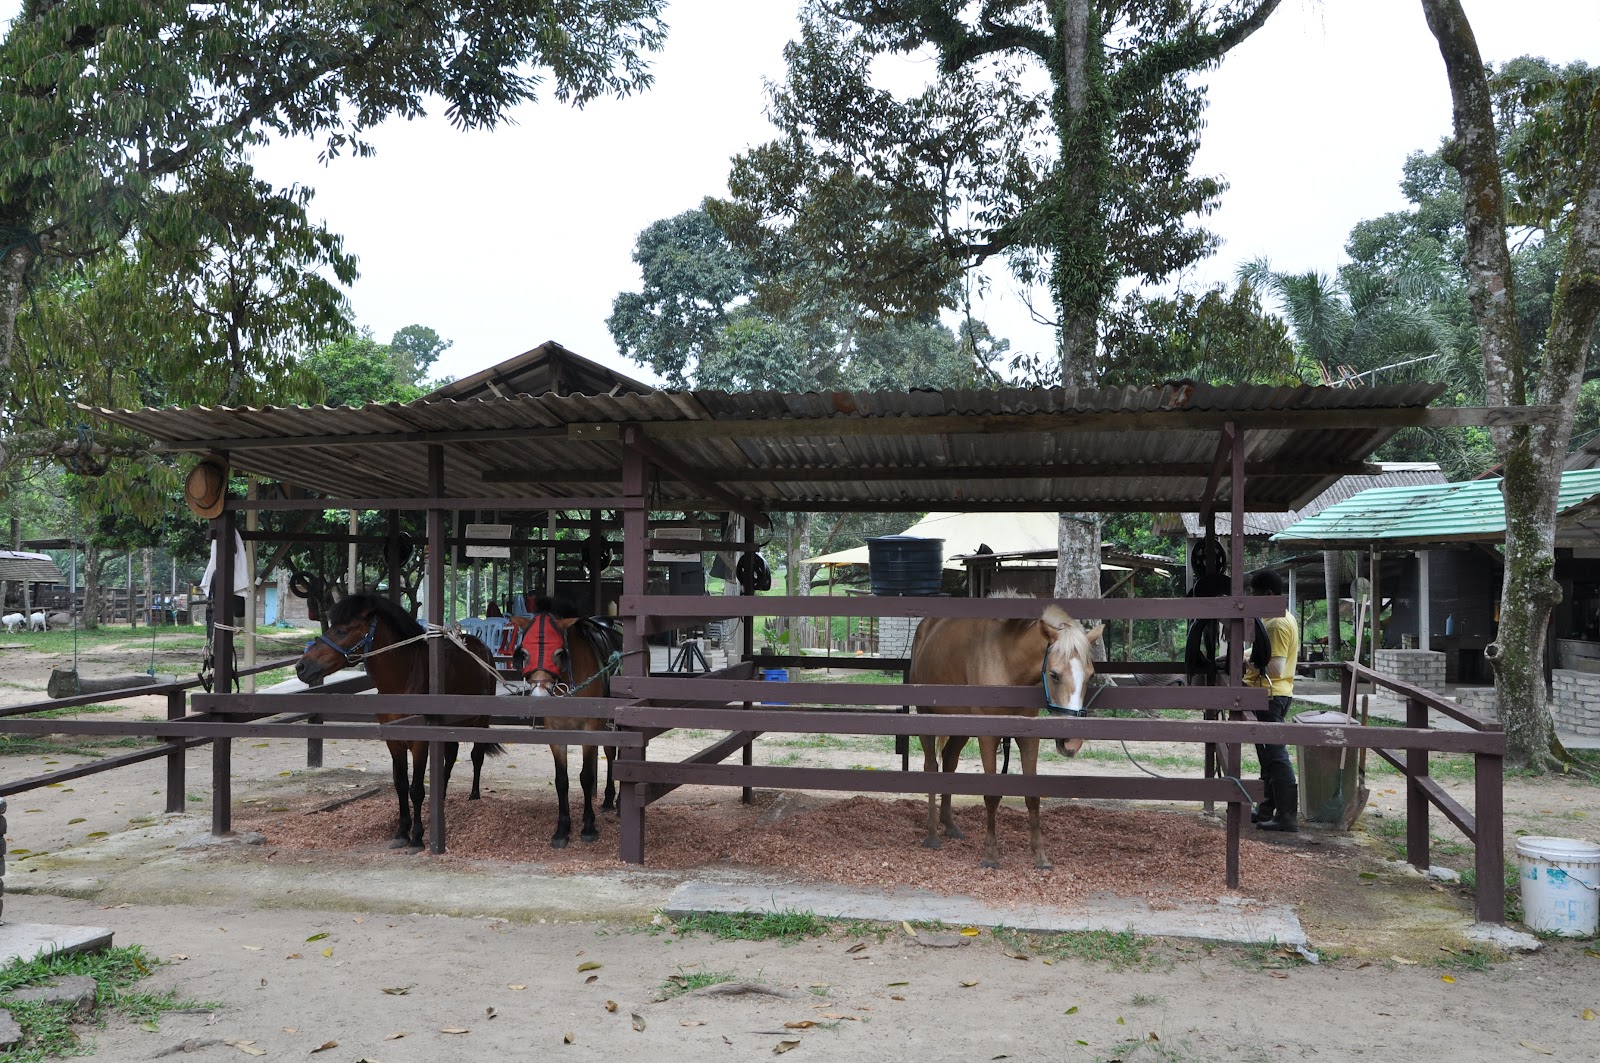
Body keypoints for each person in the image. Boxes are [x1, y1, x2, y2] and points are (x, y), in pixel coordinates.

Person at [1245, 569, 1300, 833]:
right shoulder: (1280, 617)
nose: (1252, 600)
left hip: (1270, 694)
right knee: (1267, 756)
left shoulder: (1276, 623)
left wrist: (1246, 661)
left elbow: (1275, 666)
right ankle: (1267, 810)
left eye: (1255, 595)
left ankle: (1288, 815)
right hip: (1275, 693)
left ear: (1267, 594)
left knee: (1275, 756)